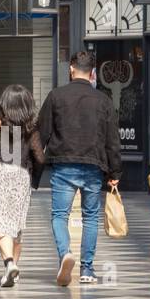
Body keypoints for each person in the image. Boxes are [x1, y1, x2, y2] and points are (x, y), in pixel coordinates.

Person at [37, 50, 122, 286]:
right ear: (93, 73)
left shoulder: (56, 96)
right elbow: (112, 140)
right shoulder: (104, 101)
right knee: (91, 217)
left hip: (63, 165)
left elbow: (41, 133)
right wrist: (115, 172)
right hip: (94, 165)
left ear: (71, 69)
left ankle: (65, 253)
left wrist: (34, 166)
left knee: (59, 216)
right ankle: (87, 269)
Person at [0, 84, 44, 288]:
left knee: (0, 226)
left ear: (4, 104)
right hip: (21, 178)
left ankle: (9, 263)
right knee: (16, 228)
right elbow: (40, 157)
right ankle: (13, 268)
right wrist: (34, 179)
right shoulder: (31, 130)